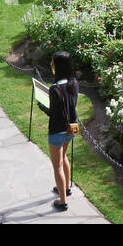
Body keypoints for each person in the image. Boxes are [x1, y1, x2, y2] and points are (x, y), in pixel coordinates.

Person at [42, 52, 79, 211]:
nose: (51, 66)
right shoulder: (74, 83)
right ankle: (67, 188)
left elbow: (54, 113)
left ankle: (62, 201)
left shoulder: (54, 89)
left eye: (53, 63)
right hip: (71, 128)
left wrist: (44, 108)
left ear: (57, 67)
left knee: (56, 165)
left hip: (57, 130)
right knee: (64, 156)